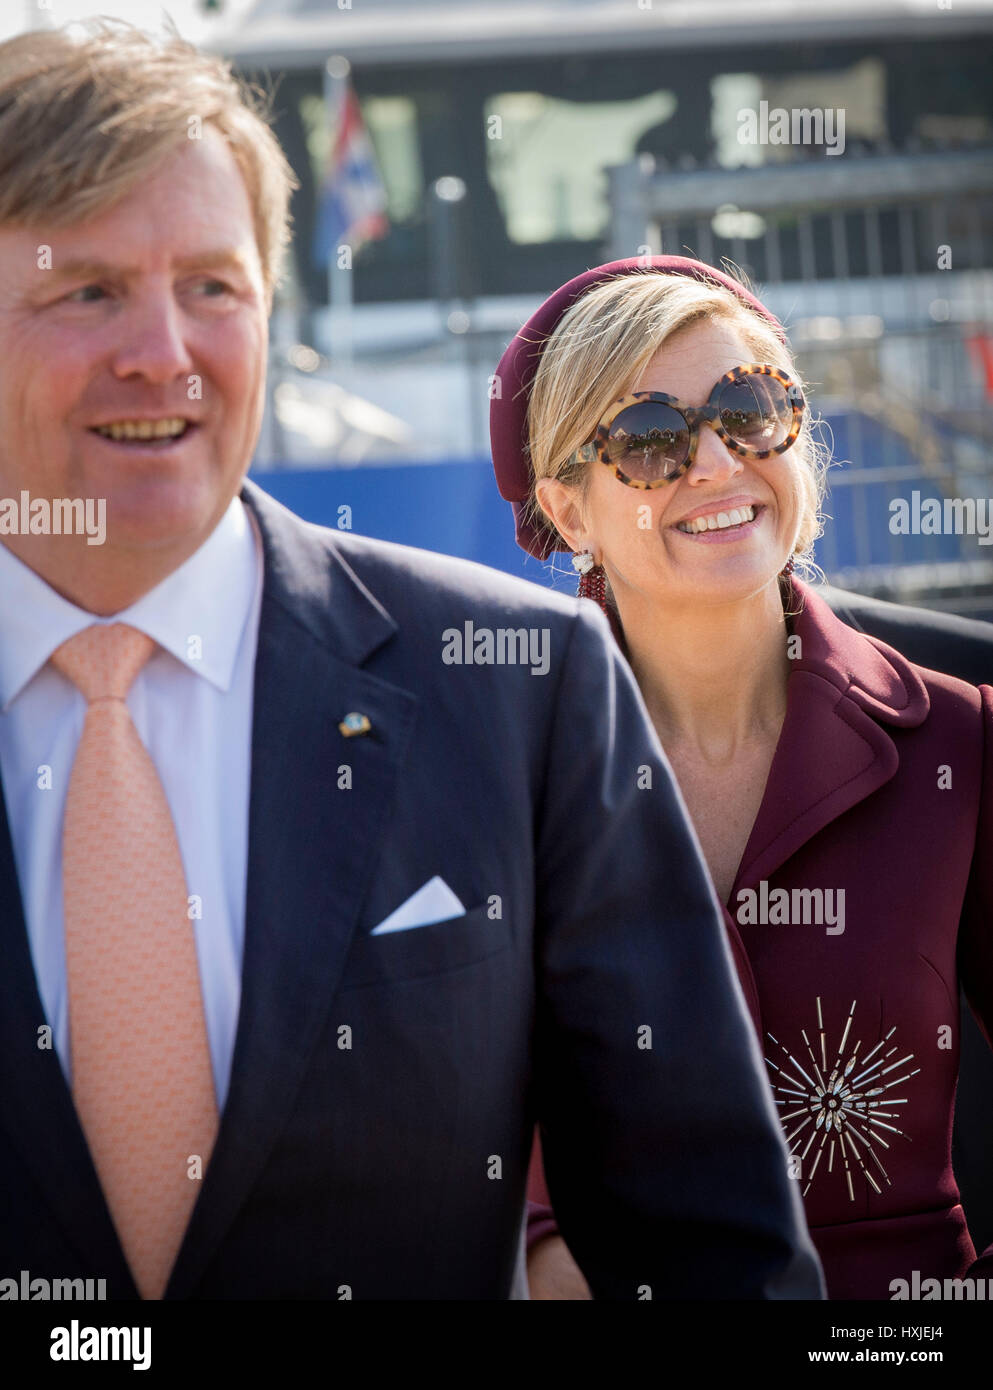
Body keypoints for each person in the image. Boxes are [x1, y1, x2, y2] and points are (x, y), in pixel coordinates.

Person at [0, 25, 824, 1301]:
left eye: (214, 287)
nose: (163, 350)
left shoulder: (520, 689)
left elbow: (710, 1244)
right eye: (90, 289)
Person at [490, 254, 993, 1300]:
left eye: (751, 409)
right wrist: (545, 1263)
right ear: (569, 511)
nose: (717, 462)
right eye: (648, 441)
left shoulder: (964, 742)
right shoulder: (494, 778)